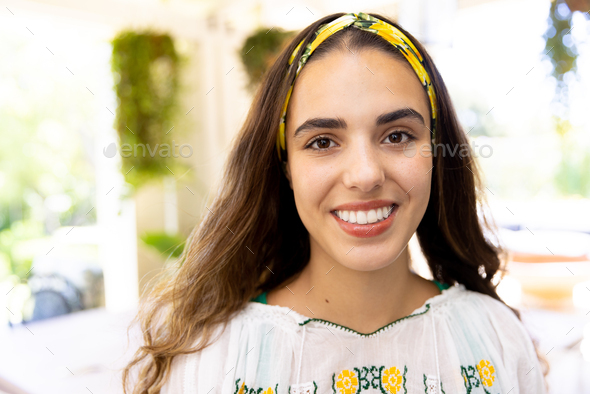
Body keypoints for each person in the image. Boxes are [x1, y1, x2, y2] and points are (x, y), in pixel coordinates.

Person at [123, 12, 549, 394]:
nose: (365, 175)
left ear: (437, 151)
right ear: (285, 166)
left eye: (397, 135)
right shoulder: (209, 359)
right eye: (323, 141)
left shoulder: (499, 340)